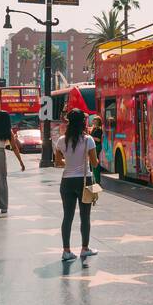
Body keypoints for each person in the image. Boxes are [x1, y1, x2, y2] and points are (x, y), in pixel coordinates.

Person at [54, 108, 98, 262]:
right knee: (85, 216)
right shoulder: (88, 140)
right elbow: (95, 163)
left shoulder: (61, 140)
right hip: (85, 181)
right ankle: (85, 248)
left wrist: (69, 162)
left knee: (68, 216)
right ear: (83, 123)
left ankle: (66, 251)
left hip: (66, 181)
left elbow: (58, 162)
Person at [89, 117, 105, 185]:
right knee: (93, 163)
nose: (94, 121)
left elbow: (98, 139)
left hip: (97, 146)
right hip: (93, 146)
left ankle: (97, 181)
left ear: (98, 122)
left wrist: (91, 137)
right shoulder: (93, 129)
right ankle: (95, 180)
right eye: (94, 120)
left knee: (94, 162)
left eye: (95, 121)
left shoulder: (99, 129)